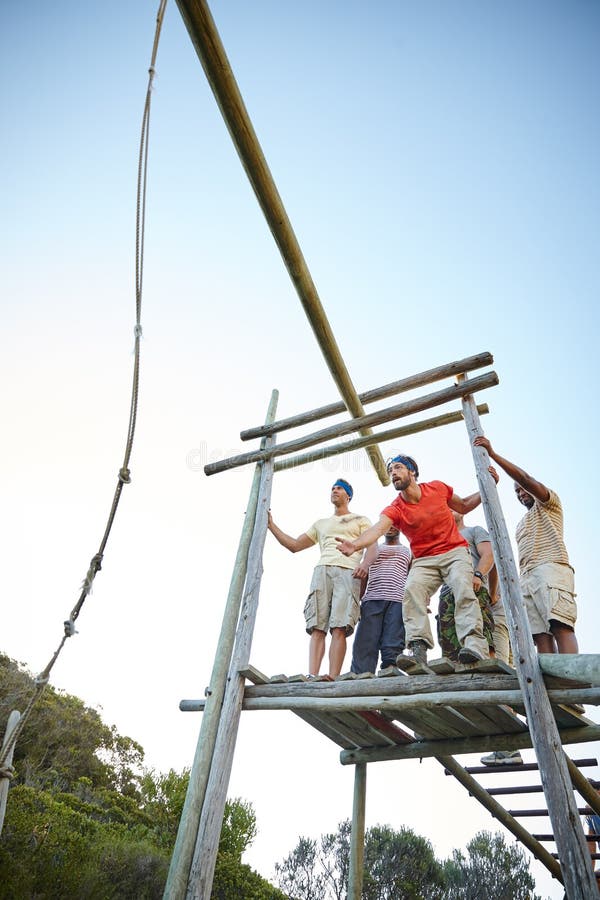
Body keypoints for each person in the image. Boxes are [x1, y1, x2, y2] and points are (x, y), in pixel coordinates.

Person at [337, 454, 495, 667]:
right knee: (411, 590)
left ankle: (474, 645)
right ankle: (418, 647)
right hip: (424, 559)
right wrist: (355, 545)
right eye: (391, 471)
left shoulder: (437, 488)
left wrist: (488, 486)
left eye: (398, 468)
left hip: (454, 552)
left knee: (462, 584)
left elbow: (465, 504)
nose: (393, 473)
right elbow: (377, 529)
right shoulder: (396, 508)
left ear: (412, 472)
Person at [473, 435, 578, 655]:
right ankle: (551, 682)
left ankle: (573, 677)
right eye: (517, 492)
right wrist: (491, 483)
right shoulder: (521, 524)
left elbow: (525, 478)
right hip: (527, 577)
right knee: (539, 635)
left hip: (550, 568)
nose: (521, 493)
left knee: (560, 624)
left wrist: (493, 454)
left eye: (523, 489)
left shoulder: (549, 504)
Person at [267, 479, 371, 678]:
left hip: (348, 570)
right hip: (322, 570)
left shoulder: (360, 519)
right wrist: (272, 526)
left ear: (348, 495)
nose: (334, 490)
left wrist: (364, 565)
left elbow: (372, 547)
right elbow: (295, 545)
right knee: (317, 625)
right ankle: (312, 675)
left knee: (340, 626)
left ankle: (332, 676)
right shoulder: (321, 524)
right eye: (332, 488)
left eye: (339, 488)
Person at [437, 511, 497, 662]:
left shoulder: (474, 530)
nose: (448, 511)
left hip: (472, 587)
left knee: (482, 636)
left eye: (452, 508)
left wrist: (478, 575)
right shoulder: (442, 539)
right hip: (447, 592)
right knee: (450, 646)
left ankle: (490, 673)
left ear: (462, 512)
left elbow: (489, 554)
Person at [350, 526, 411, 674]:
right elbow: (365, 573)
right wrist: (358, 600)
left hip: (397, 599)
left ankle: (390, 670)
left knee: (393, 639)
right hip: (372, 598)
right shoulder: (374, 549)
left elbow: (412, 577)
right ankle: (361, 673)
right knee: (366, 640)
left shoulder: (408, 551)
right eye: (388, 525)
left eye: (395, 525)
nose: (391, 528)